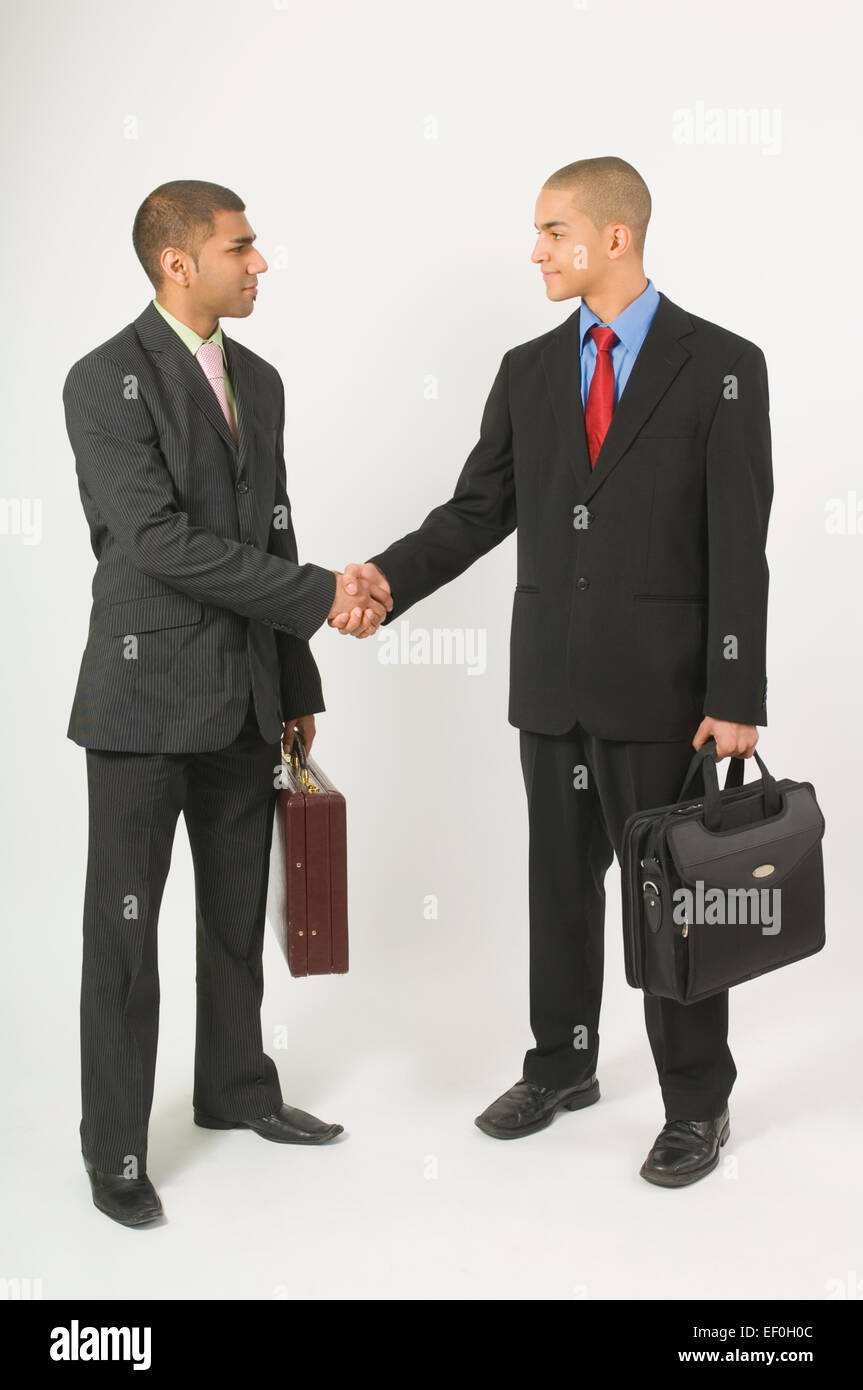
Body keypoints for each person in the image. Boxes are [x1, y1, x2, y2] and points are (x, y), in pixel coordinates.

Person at [335, 155, 772, 1188]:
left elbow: (735, 542)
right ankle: (561, 1063)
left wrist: (732, 696)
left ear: (612, 238)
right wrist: (384, 583)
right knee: (556, 892)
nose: (533, 250)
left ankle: (696, 1105)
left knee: (674, 904)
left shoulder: (721, 363)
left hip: (666, 696)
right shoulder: (528, 371)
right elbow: (476, 513)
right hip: (550, 687)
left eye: (551, 230)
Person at [63, 179, 393, 1226]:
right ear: (178, 262)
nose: (259, 265)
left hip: (248, 696)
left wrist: (296, 683)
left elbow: (276, 529)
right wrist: (319, 599)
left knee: (233, 919)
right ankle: (114, 1145)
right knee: (124, 932)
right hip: (141, 701)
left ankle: (235, 1087)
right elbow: (156, 542)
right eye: (240, 248)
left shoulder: (263, 380)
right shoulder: (102, 379)